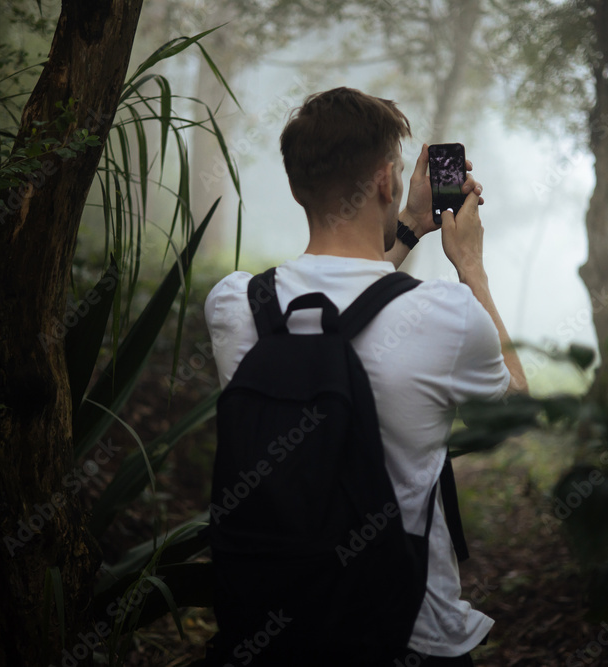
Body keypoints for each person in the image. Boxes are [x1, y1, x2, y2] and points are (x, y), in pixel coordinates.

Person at [204, 86, 528, 665]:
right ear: (385, 180)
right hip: (408, 627)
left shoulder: (237, 304)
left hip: (276, 624)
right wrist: (471, 269)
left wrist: (405, 225)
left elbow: (338, 304)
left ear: (297, 183)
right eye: (398, 172)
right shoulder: (448, 319)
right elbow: (514, 414)